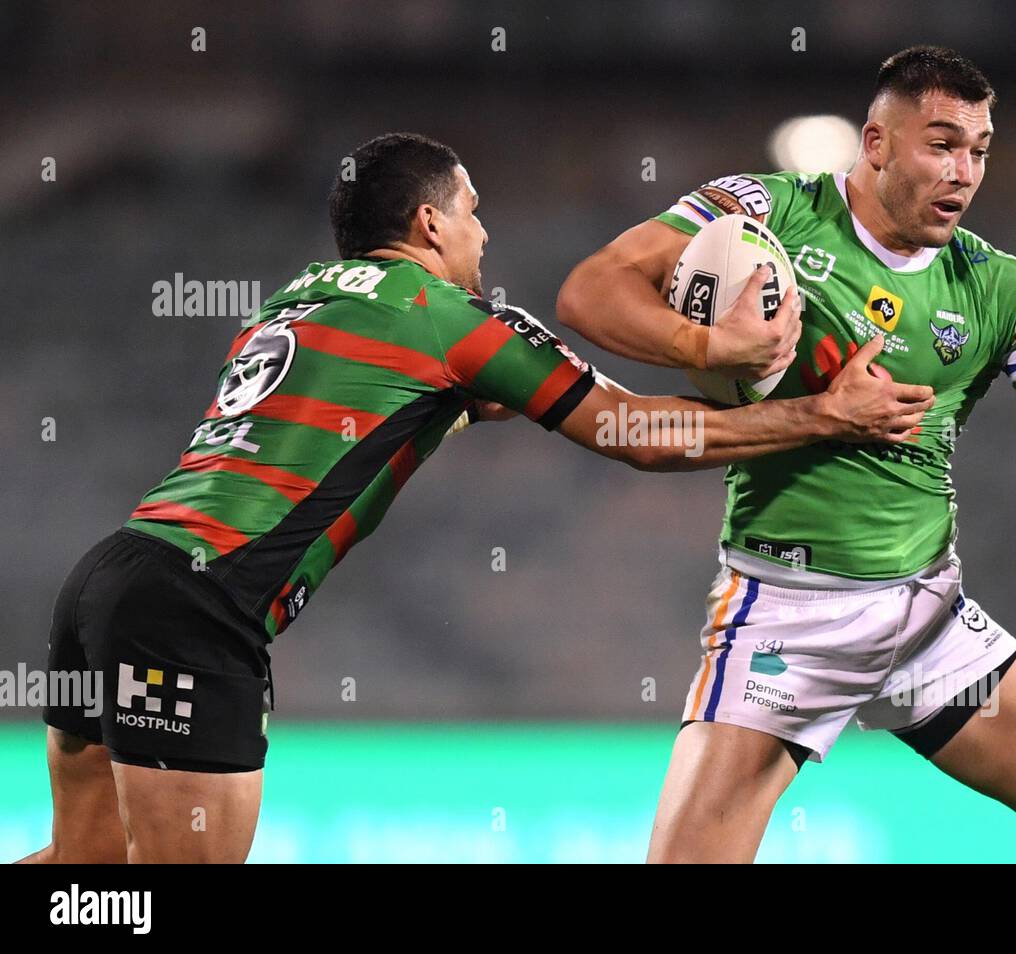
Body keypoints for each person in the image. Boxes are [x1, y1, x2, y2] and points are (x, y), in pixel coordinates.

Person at [21, 132, 934, 864]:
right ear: (429, 223)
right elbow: (631, 436)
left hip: (111, 577)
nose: (485, 235)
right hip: (199, 608)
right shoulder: (446, 318)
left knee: (88, 872)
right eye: (472, 212)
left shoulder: (295, 300)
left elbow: (440, 402)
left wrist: (695, 351)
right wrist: (821, 413)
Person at [556, 46, 1016, 863]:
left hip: (926, 624)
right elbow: (590, 291)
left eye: (980, 151)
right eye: (941, 144)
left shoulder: (1002, 288)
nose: (964, 172)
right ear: (875, 143)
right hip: (785, 621)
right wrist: (711, 342)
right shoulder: (763, 213)